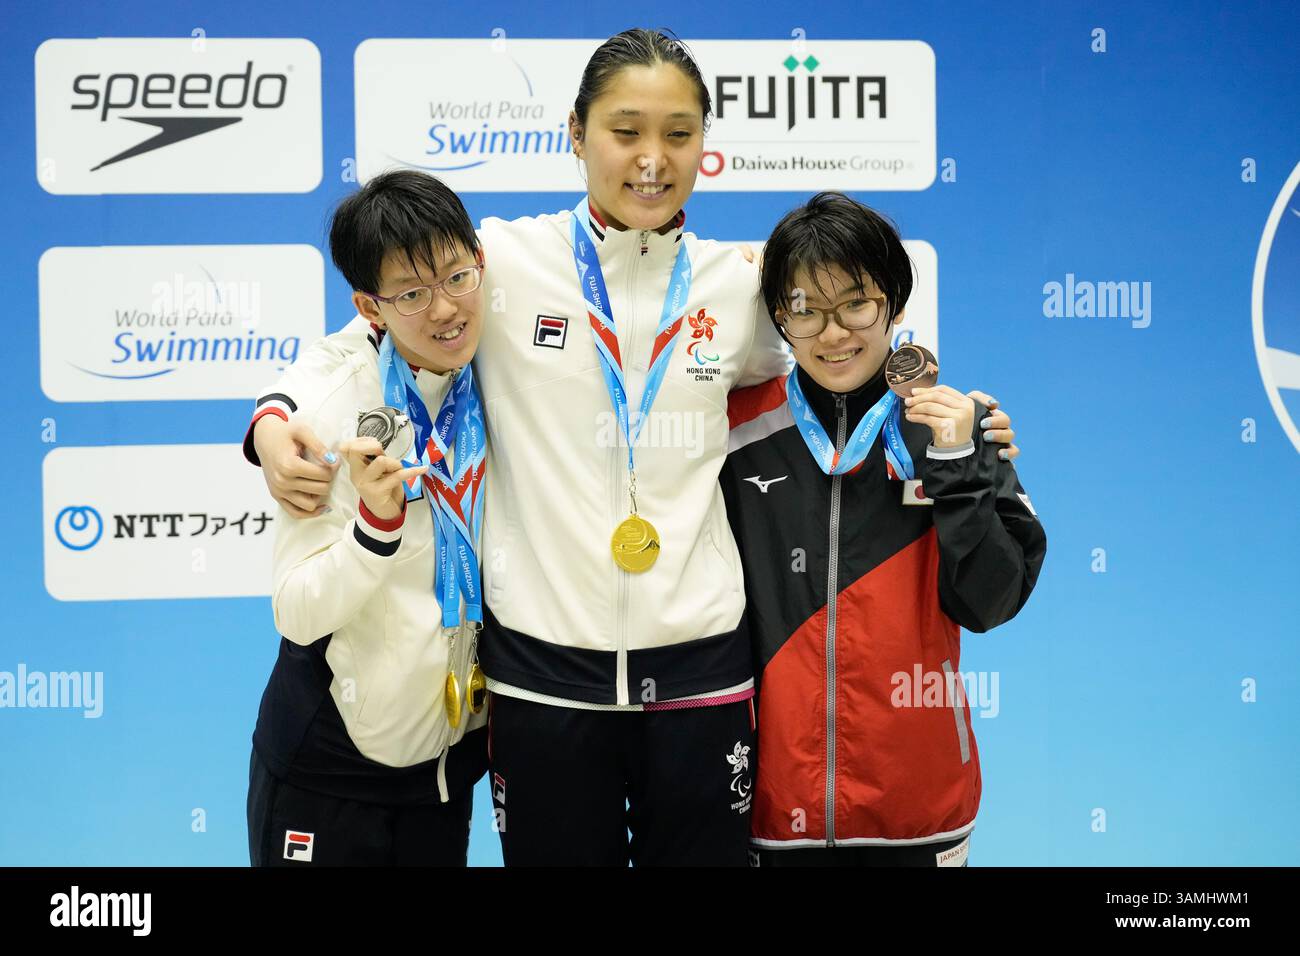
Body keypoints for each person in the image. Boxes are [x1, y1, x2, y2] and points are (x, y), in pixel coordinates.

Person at [243, 29, 1021, 867]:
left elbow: (846, 341)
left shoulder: (739, 284)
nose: (652, 158)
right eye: (626, 130)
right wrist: (272, 414)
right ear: (575, 134)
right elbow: (382, 330)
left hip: (704, 678)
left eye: (678, 134)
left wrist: (965, 420)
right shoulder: (503, 261)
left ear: (704, 148)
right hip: (540, 679)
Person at [722, 192, 1047, 867]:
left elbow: (990, 603)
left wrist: (958, 465)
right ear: (780, 316)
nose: (833, 333)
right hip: (771, 808)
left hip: (920, 810)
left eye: (856, 305)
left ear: (895, 305)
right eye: (806, 309)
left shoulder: (957, 426)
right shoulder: (731, 430)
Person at [246, 170, 489, 866]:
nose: (445, 309)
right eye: (412, 294)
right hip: (329, 770)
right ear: (370, 306)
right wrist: (373, 534)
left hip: (445, 766)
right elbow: (295, 611)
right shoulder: (327, 417)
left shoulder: (494, 351)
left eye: (456, 276)